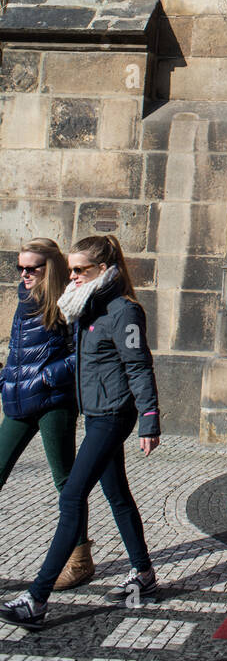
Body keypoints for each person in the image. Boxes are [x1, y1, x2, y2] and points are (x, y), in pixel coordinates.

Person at [0, 234, 161, 630]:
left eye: (79, 270)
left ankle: (37, 599)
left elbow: (139, 365)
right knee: (117, 493)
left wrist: (149, 418)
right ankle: (143, 572)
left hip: (112, 415)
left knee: (72, 496)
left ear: (102, 271)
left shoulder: (124, 312)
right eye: (70, 269)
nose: (70, 276)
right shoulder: (84, 306)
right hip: (93, 412)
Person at [0, 239, 93, 590]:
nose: (24, 274)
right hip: (19, 400)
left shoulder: (68, 300)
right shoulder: (24, 300)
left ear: (48, 268)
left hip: (53, 403)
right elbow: (18, 352)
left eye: (31, 268)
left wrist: (45, 377)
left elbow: (79, 353)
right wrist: (7, 378)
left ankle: (80, 557)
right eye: (20, 267)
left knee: (65, 483)